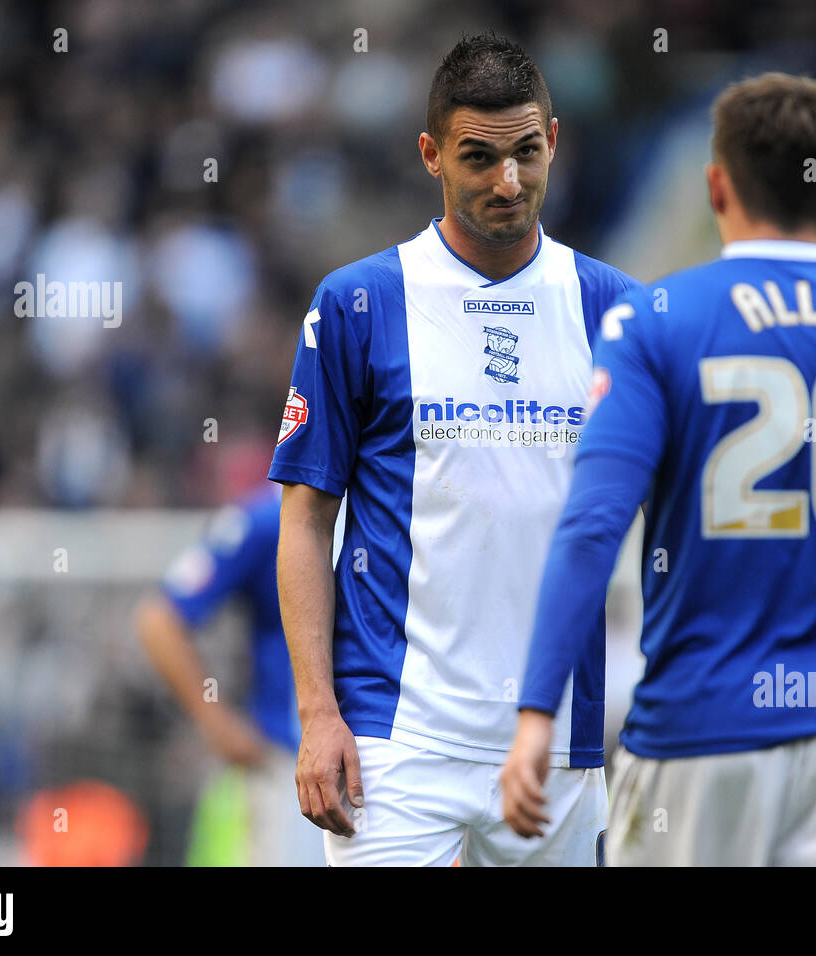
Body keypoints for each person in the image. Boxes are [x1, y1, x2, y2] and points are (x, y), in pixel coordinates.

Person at [501, 73, 816, 866]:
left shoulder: (657, 323)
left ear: (715, 186)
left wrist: (535, 715)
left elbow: (593, 526)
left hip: (700, 740)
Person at [268, 32, 640, 866]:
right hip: (394, 744)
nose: (509, 181)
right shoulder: (359, 304)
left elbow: (675, 513)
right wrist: (317, 714)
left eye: (527, 152)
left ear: (555, 139)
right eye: (480, 157)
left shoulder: (619, 311)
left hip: (556, 745)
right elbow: (304, 522)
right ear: (432, 154)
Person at [136, 484, 329, 866]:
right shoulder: (263, 521)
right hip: (294, 771)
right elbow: (159, 620)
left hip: (387, 759)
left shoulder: (388, 504)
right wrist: (218, 724)